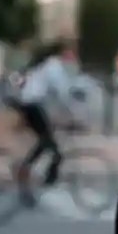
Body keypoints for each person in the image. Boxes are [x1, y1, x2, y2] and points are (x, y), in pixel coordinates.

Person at [13, 39, 80, 205]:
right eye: (70, 52)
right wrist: (73, 116)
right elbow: (62, 92)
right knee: (50, 146)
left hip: (28, 105)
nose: (72, 55)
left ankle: (31, 181)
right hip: (32, 105)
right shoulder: (54, 65)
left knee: (48, 144)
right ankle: (29, 171)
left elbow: (52, 94)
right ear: (62, 52)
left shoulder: (45, 63)